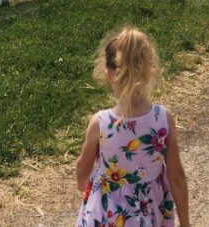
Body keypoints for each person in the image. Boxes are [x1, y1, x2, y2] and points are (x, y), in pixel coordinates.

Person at [75, 27, 190, 226]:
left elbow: (82, 172)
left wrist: (92, 191)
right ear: (149, 69)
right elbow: (177, 177)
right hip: (148, 214)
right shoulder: (163, 119)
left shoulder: (100, 123)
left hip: (106, 215)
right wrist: (186, 223)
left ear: (109, 73)